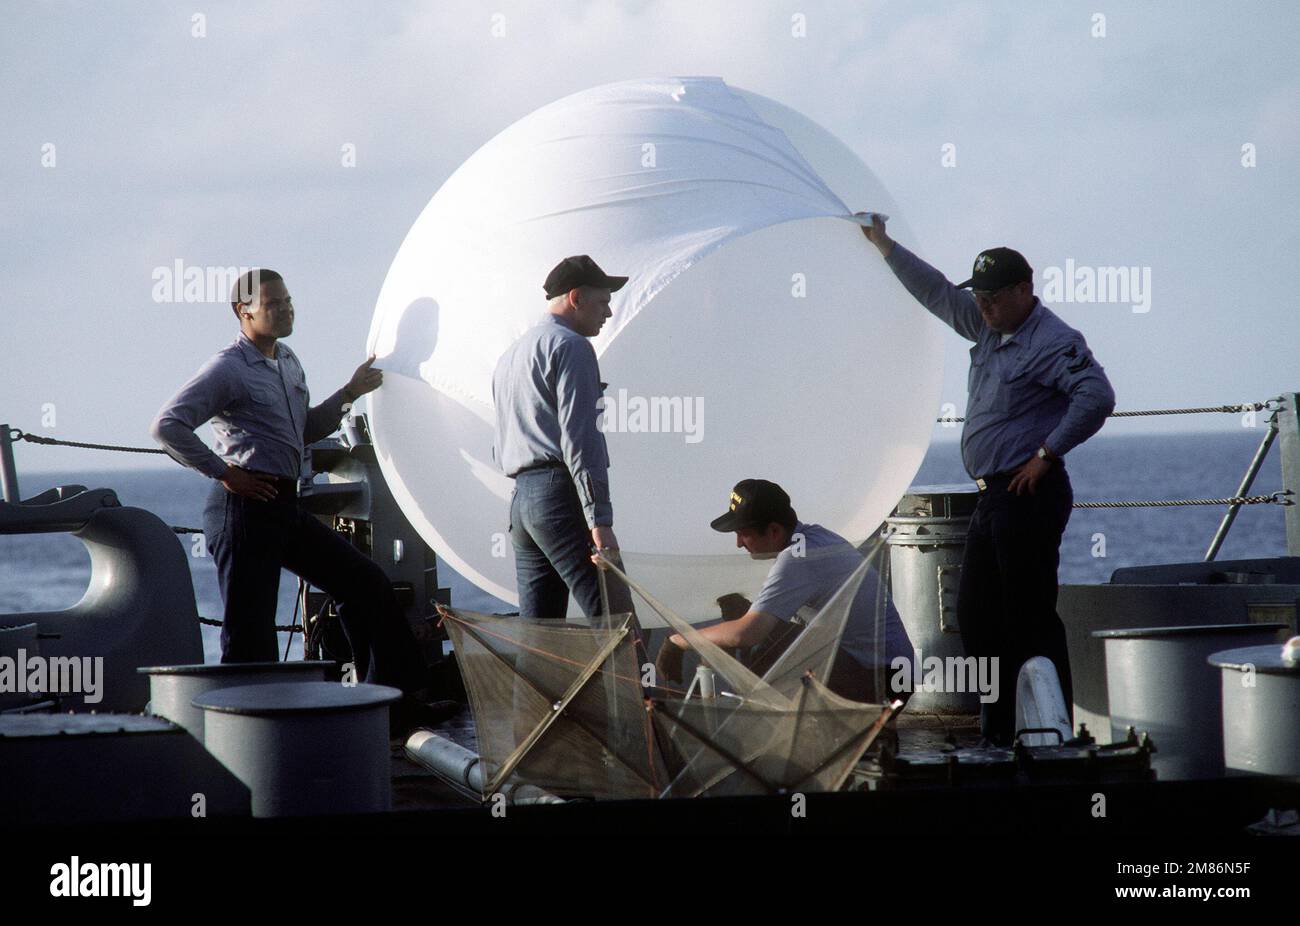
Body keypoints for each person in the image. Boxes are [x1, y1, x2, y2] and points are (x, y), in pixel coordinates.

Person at [150, 268, 457, 733]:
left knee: (365, 583)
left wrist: (350, 392)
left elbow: (303, 431)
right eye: (273, 304)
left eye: (288, 301)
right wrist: (226, 473)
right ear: (244, 311)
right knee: (250, 630)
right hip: (244, 507)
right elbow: (167, 426)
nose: (286, 310)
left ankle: (391, 706)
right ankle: (251, 735)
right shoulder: (227, 369)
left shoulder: (288, 361)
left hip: (284, 505)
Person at [861, 215, 1116, 744]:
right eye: (978, 297)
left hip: (1028, 494)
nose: (983, 306)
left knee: (1029, 618)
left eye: (994, 297)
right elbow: (934, 291)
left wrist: (1046, 453)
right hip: (992, 499)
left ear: (1025, 289)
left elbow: (1097, 395)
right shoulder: (986, 325)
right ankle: (999, 731)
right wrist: (886, 246)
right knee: (977, 617)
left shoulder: (1052, 340)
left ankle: (1050, 732)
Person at [655, 479, 914, 703]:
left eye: (743, 534)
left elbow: (748, 633)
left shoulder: (796, 558)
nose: (738, 544)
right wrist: (743, 618)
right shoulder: (815, 537)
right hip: (891, 671)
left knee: (765, 652)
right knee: (771, 639)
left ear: (774, 530)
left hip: (880, 678)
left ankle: (820, 740)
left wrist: (678, 641)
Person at [492, 255, 627, 621]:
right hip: (559, 497)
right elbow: (581, 440)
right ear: (576, 298)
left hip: (523, 505)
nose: (608, 313)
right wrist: (599, 520)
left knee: (540, 638)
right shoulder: (571, 346)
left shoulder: (509, 356)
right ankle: (636, 681)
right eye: (603, 302)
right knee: (617, 625)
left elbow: (500, 442)